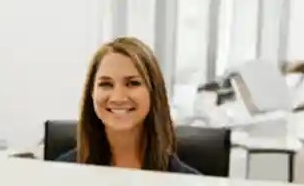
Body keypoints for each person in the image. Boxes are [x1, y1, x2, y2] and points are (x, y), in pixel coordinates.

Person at [55, 37, 199, 174]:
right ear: (91, 94)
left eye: (132, 83)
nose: (118, 97)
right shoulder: (61, 175)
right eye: (106, 84)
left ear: (154, 93)